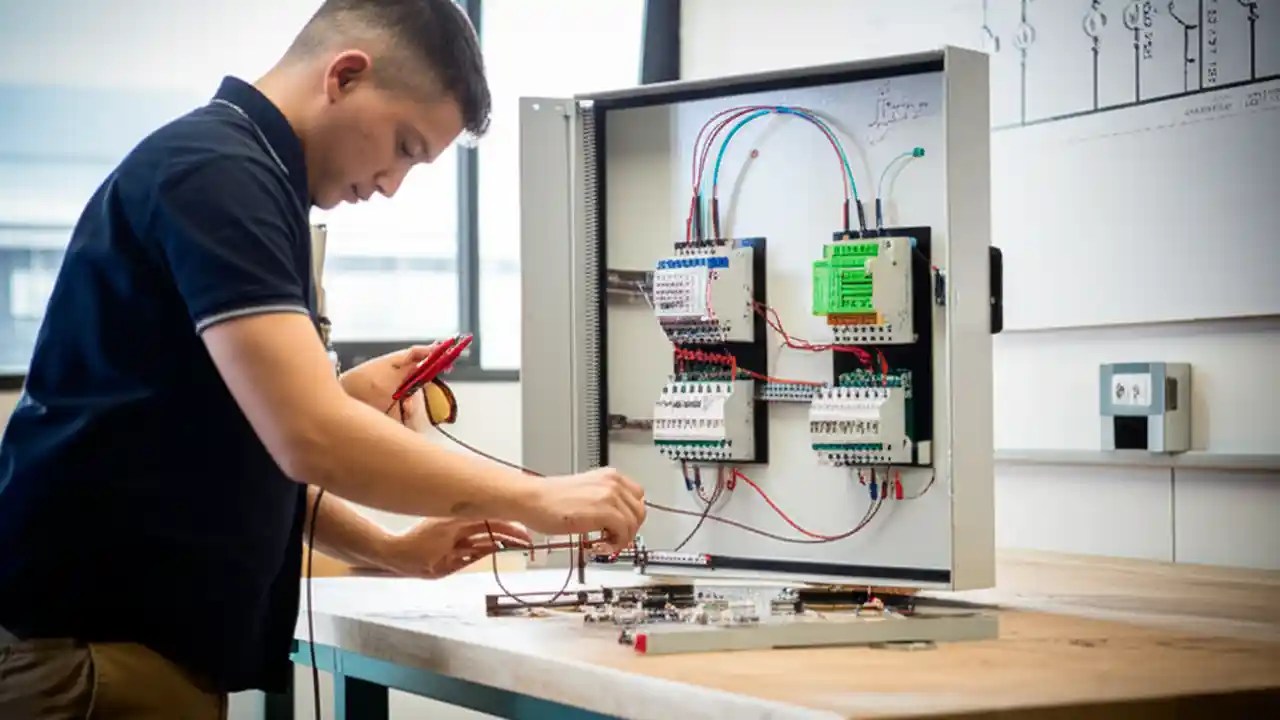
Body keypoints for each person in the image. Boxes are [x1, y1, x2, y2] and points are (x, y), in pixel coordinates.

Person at [0, 0, 645, 716]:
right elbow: (309, 437)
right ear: (344, 76)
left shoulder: (246, 177)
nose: (392, 184)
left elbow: (244, 441)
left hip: (119, 655)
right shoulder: (220, 176)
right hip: (88, 661)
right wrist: (542, 496)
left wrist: (390, 548)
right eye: (404, 146)